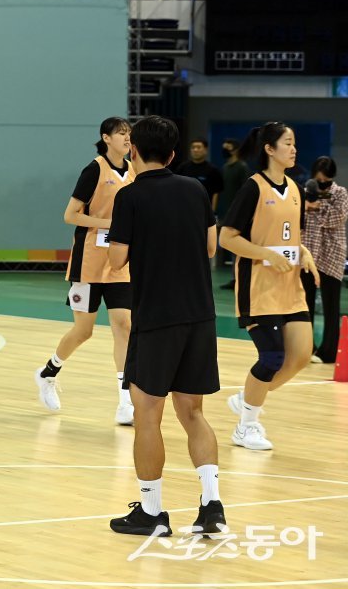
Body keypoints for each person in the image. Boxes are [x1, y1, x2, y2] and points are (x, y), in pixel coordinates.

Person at [103, 116, 225, 537]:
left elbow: (117, 260)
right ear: (173, 154)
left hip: (156, 319)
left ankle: (152, 512)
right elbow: (211, 246)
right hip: (200, 316)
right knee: (193, 413)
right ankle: (212, 506)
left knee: (148, 415)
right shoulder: (194, 189)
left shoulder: (130, 195)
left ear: (133, 150)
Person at [220, 122, 316, 451]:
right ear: (269, 149)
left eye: (294, 143)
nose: (294, 149)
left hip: (291, 288)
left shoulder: (295, 187)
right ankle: (247, 425)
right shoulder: (253, 187)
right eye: (287, 143)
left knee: (302, 355)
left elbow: (292, 237)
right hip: (259, 289)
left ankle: (248, 397)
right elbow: (227, 237)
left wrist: (305, 254)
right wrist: (264, 254)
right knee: (273, 357)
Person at [34, 117, 136, 425]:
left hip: (120, 263)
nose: (127, 138)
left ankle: (125, 400)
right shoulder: (94, 170)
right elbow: (70, 215)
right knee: (84, 331)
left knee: (124, 325)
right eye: (121, 134)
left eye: (129, 134)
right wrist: (109, 224)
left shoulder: (133, 171)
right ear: (106, 137)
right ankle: (48, 373)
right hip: (89, 262)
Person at [302, 156, 347, 363]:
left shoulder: (340, 193)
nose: (321, 186)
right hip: (308, 254)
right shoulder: (304, 192)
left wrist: (315, 206)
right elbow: (298, 218)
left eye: (326, 182)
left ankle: (328, 351)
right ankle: (306, 347)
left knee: (331, 306)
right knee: (304, 303)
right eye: (318, 181)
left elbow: (336, 218)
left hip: (332, 254)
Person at [217, 138, 251, 276]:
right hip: (225, 211)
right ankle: (233, 277)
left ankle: (237, 276)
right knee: (227, 245)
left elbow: (245, 191)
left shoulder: (242, 167)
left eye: (228, 148)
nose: (225, 151)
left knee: (236, 244)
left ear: (235, 150)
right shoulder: (225, 168)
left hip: (237, 212)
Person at [176, 138, 223, 210]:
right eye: (193, 147)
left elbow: (216, 193)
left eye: (198, 147)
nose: (195, 150)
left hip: (204, 209)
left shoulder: (213, 170)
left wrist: (213, 212)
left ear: (205, 150)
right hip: (184, 208)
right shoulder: (182, 167)